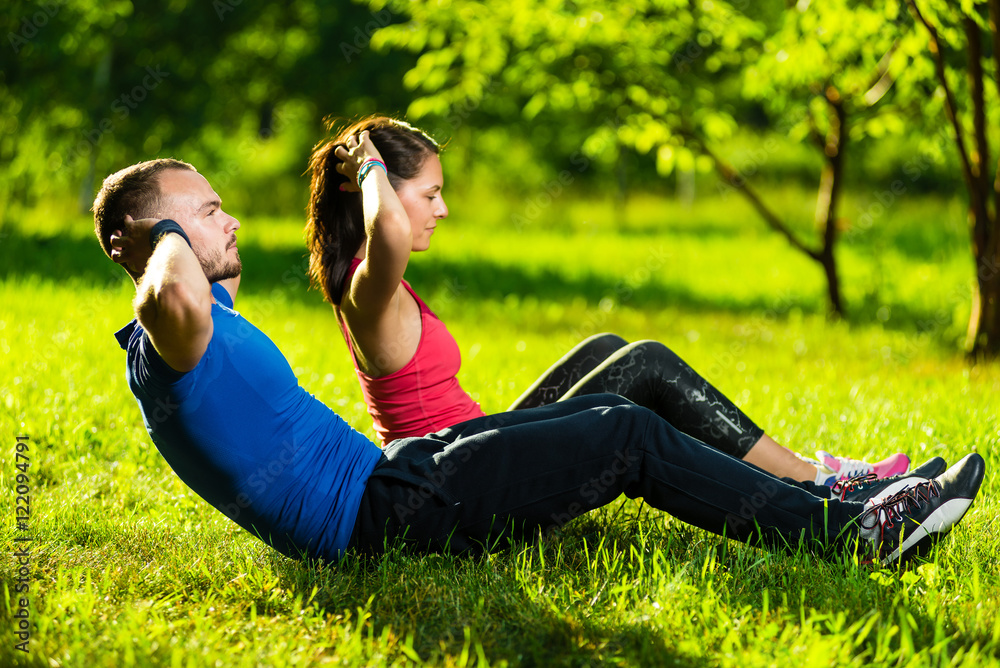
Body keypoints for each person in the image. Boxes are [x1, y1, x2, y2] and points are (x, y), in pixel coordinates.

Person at [94, 158, 984, 566]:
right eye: (205, 212)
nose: (229, 221)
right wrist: (163, 231)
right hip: (382, 516)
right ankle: (846, 535)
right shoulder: (173, 334)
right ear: (145, 239)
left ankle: (854, 499)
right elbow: (169, 291)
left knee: (618, 385)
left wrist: (182, 233)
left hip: (399, 478)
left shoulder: (197, 331)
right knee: (627, 433)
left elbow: (193, 295)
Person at [305, 116, 919, 486]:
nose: (443, 210)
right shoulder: (367, 288)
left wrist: (375, 170)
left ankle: (794, 472)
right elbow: (386, 227)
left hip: (479, 451)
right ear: (382, 193)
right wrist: (370, 166)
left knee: (607, 349)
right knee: (646, 363)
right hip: (466, 484)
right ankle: (815, 480)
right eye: (431, 194)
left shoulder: (377, 286)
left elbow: (390, 224)